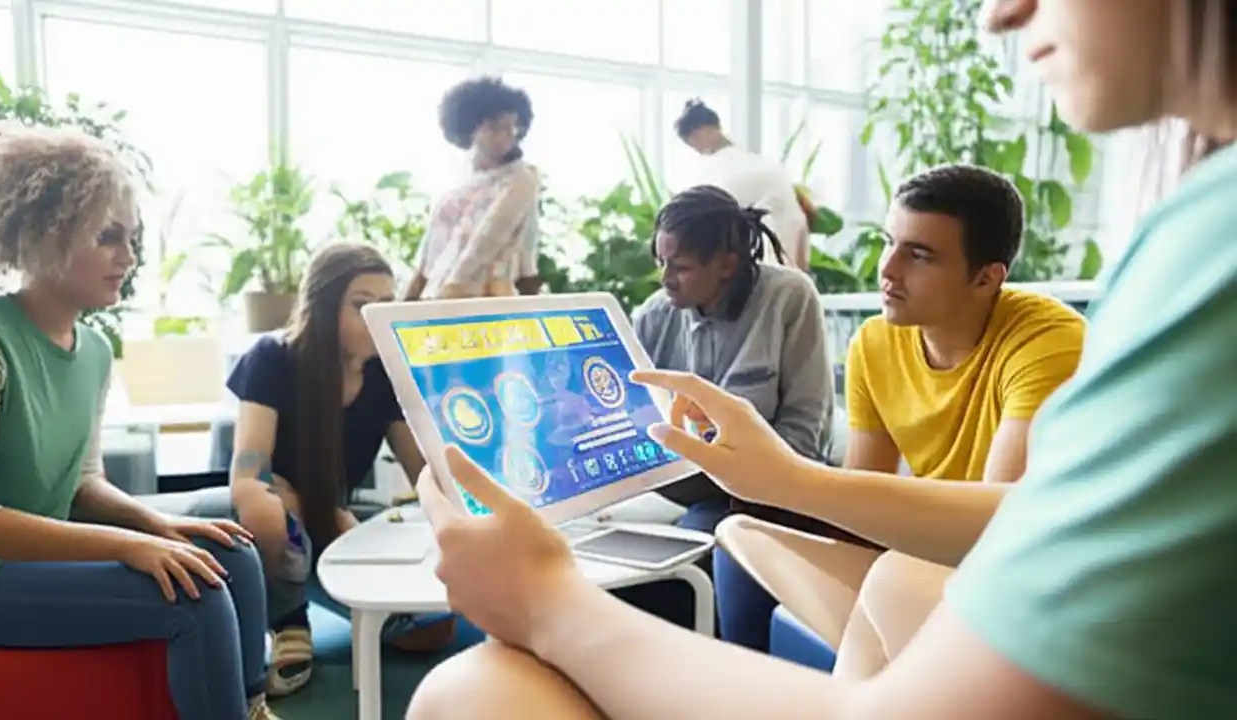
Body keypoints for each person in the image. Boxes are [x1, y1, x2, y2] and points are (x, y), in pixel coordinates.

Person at [406, 1, 1237, 717]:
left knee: (474, 691)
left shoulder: (1187, 256)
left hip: (956, 588)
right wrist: (780, 480)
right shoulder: (867, 337)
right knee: (861, 572)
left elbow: (1007, 518)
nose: (1000, 14)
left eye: (920, 256)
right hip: (893, 555)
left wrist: (549, 602)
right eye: (889, 248)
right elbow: (1005, 522)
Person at [0, 124, 279, 720]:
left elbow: (80, 483)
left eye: (131, 239)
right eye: (108, 238)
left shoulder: (96, 349)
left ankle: (254, 707)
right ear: (45, 236)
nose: (128, 259)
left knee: (230, 553)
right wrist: (130, 546)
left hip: (32, 559)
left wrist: (155, 525)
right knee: (195, 597)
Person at [714, 163, 1087, 653]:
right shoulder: (875, 343)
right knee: (738, 536)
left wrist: (787, 477)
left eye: (920, 255)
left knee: (893, 579)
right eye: (890, 242)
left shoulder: (1048, 341)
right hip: (927, 563)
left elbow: (1001, 529)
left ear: (986, 278)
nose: (887, 270)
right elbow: (858, 520)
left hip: (1021, 576)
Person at [228, 241, 451, 697]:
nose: (374, 318)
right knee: (270, 509)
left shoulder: (384, 374)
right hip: (268, 524)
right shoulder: (272, 357)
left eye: (385, 306)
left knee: (434, 633)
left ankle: (357, 601)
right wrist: (307, 509)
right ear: (323, 304)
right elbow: (249, 475)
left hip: (333, 521)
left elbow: (422, 469)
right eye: (361, 305)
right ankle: (288, 620)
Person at [632, 185, 834, 533]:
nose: (666, 279)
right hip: (687, 485)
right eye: (661, 262)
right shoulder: (654, 316)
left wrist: (726, 474)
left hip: (776, 490)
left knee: (701, 541)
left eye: (681, 267)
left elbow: (804, 434)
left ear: (727, 264)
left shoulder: (788, 297)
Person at [403, 76, 542, 301]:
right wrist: (406, 303)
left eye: (512, 127)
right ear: (471, 126)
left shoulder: (520, 180)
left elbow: (487, 243)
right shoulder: (455, 184)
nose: (506, 134)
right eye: (496, 126)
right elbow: (429, 253)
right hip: (435, 296)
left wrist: (449, 293)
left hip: (481, 297)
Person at [675, 99, 810, 270]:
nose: (699, 152)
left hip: (766, 255)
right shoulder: (762, 163)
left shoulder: (718, 171)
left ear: (697, 133)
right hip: (792, 246)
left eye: (693, 145)